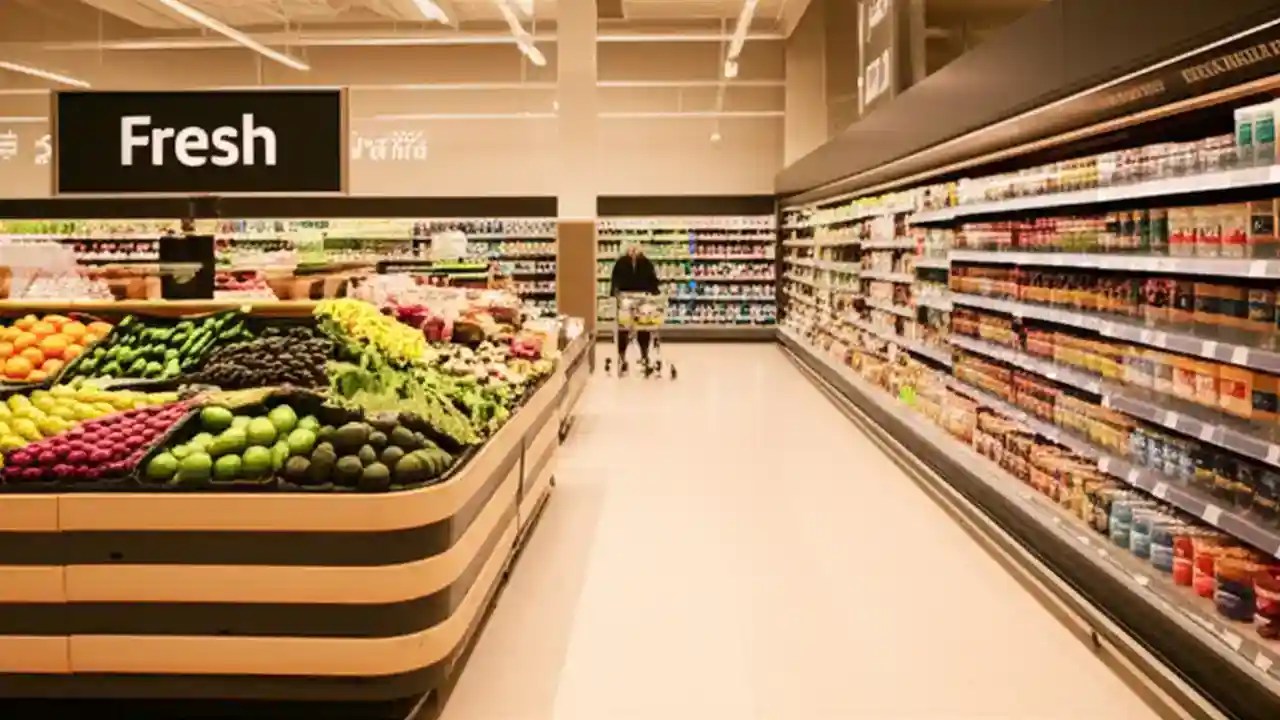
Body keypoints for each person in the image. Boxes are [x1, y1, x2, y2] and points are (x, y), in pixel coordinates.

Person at [609, 243, 660, 373]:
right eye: (631, 248)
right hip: (625, 299)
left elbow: (653, 280)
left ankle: (644, 354)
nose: (633, 251)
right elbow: (615, 280)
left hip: (643, 300)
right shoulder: (621, 263)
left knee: (644, 328)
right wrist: (615, 292)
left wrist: (654, 293)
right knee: (623, 328)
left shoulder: (646, 263)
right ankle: (622, 356)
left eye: (635, 248)